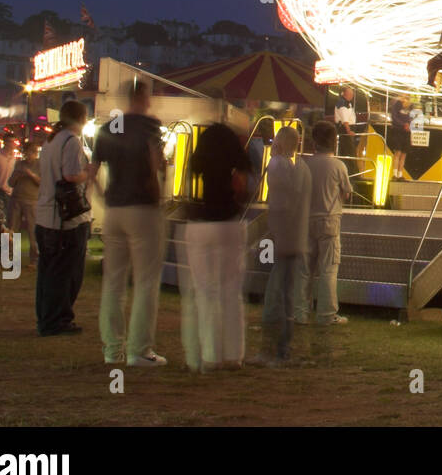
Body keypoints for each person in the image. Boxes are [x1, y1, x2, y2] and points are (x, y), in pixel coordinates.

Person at [93, 81, 168, 367]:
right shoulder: (150, 127)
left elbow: (92, 172)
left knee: (113, 282)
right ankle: (140, 350)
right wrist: (158, 196)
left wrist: (104, 199)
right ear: (144, 97)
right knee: (146, 281)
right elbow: (154, 161)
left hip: (114, 209)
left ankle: (113, 350)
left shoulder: (108, 128)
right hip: (142, 207)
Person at [182, 121, 253, 372]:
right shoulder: (237, 164)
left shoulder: (197, 165)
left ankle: (210, 355)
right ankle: (234, 355)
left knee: (205, 292)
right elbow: (243, 189)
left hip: (200, 224)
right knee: (231, 292)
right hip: (229, 224)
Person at [35, 100, 93, 337]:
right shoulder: (71, 142)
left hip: (46, 215)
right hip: (65, 219)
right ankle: (57, 320)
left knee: (48, 272)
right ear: (81, 118)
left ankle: (47, 317)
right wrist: (87, 174)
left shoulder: (51, 141)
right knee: (65, 272)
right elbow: (70, 175)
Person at [253, 126, 310, 365]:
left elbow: (279, 200)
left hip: (283, 234)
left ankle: (275, 348)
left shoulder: (279, 165)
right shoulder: (301, 169)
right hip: (294, 235)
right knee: (286, 291)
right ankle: (282, 347)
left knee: (277, 291)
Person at [298, 121, 351, 326]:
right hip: (329, 221)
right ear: (334, 141)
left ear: (314, 141)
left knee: (304, 270)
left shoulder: (304, 164)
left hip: (305, 221)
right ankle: (326, 314)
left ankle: (300, 312)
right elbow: (346, 192)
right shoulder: (338, 165)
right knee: (329, 269)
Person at [8, 141, 41, 267]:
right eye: (26, 153)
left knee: (32, 230)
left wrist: (30, 174)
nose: (28, 155)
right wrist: (17, 175)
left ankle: (34, 258)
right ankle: (11, 257)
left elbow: (41, 182)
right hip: (16, 199)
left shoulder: (40, 164)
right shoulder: (19, 164)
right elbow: (11, 183)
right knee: (12, 228)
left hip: (32, 200)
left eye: (30, 153)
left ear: (35, 153)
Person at [387, 95, 411, 180]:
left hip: (406, 132)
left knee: (404, 154)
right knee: (397, 152)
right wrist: (403, 124)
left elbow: (411, 117)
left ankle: (400, 174)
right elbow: (394, 117)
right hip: (398, 130)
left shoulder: (410, 106)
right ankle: (395, 174)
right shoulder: (397, 104)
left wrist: (409, 125)